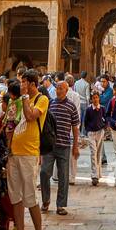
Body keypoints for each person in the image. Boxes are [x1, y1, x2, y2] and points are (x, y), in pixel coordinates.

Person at [7, 70, 49, 230]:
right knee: (15, 197)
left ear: (32, 84)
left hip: (30, 153)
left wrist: (24, 98)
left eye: (24, 82)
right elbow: (10, 122)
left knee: (30, 196)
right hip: (15, 153)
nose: (21, 84)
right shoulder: (16, 101)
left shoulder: (42, 99)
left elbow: (31, 116)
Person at [39, 79, 79, 215]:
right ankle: (45, 200)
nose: (58, 90)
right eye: (57, 88)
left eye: (61, 88)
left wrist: (76, 146)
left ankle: (60, 205)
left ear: (66, 91)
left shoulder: (71, 107)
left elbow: (75, 127)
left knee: (63, 176)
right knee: (44, 172)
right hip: (50, 146)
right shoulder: (50, 104)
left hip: (64, 145)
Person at [0, 81, 20, 230]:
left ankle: (15, 220)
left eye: (3, 101)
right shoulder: (3, 118)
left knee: (3, 193)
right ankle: (2, 223)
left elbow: (9, 138)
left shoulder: (10, 120)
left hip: (4, 159)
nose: (1, 104)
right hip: (0, 159)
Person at [84, 90, 107, 186]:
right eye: (94, 98)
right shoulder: (89, 109)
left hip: (100, 132)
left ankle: (98, 173)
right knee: (93, 152)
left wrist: (104, 127)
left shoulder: (102, 109)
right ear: (91, 99)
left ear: (99, 98)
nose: (95, 99)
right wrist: (88, 130)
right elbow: (85, 121)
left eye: (97, 97)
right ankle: (94, 175)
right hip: (91, 133)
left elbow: (106, 119)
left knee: (98, 153)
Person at [74, 71, 91, 135]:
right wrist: (88, 104)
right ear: (86, 76)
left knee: (78, 118)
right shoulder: (86, 84)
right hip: (84, 103)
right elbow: (87, 96)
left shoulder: (76, 83)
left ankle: (77, 132)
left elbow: (75, 92)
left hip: (78, 101)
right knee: (84, 118)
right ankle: (83, 132)